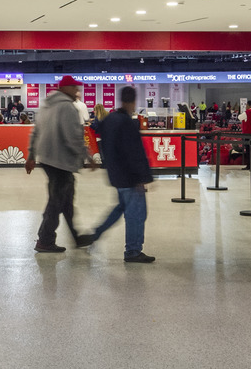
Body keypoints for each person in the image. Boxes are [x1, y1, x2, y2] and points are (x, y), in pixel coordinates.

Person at [26, 75, 93, 253]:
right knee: (57, 201)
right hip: (61, 161)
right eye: (74, 87)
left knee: (65, 199)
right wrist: (87, 156)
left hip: (47, 159)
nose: (77, 91)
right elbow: (73, 137)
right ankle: (45, 240)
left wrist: (31, 155)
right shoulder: (68, 107)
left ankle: (76, 237)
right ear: (64, 88)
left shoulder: (46, 105)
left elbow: (35, 132)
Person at [90, 85, 156, 263]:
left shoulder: (110, 119)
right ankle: (133, 251)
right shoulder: (127, 123)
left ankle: (95, 233)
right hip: (130, 178)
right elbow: (134, 153)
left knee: (121, 208)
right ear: (133, 101)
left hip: (117, 175)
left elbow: (105, 145)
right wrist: (142, 177)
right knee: (137, 214)